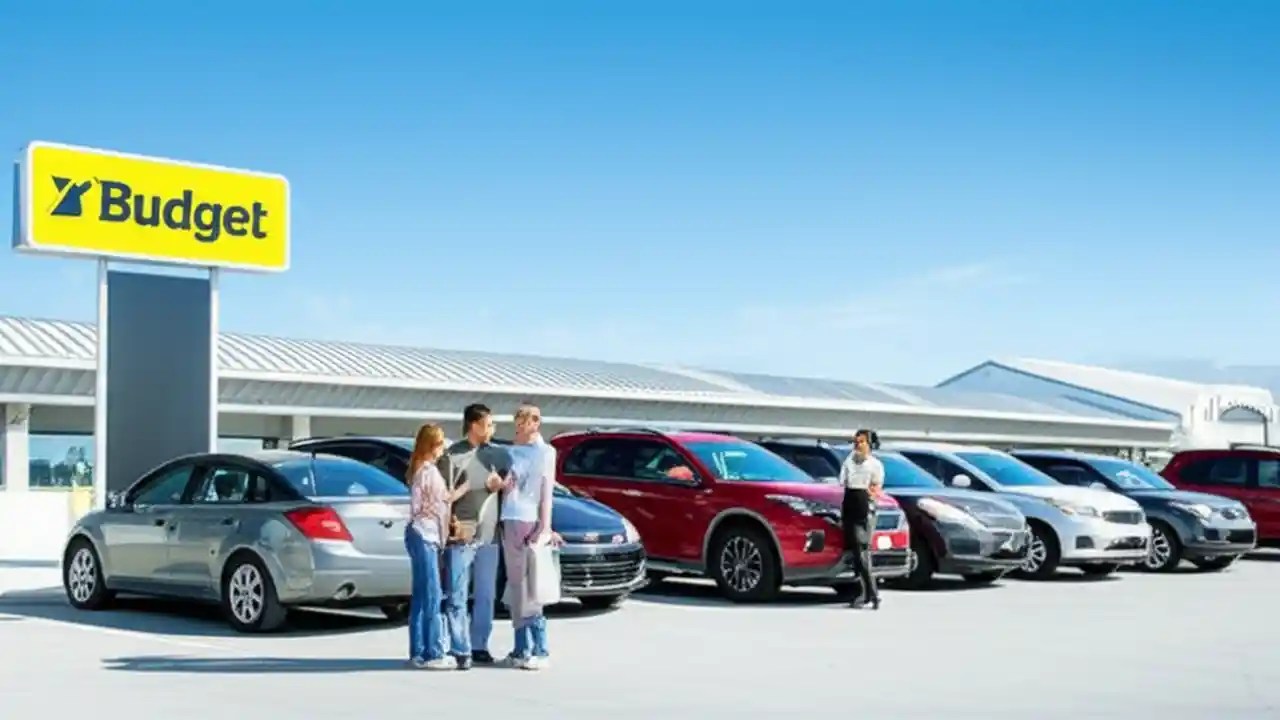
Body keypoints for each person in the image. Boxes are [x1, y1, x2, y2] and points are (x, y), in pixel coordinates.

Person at [437, 403, 512, 669]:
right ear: (474, 425)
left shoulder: (500, 456)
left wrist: (502, 486)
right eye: (488, 424)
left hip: (490, 536)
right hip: (461, 534)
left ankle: (480, 645)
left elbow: (514, 487)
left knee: (486, 593)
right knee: (457, 594)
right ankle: (460, 648)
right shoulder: (452, 456)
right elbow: (443, 496)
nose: (492, 428)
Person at [499, 403, 561, 670]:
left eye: (525, 423)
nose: (520, 429)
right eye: (518, 424)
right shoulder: (512, 451)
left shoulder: (545, 452)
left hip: (528, 519)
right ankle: (520, 648)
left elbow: (547, 493)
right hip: (509, 517)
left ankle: (540, 648)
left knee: (531, 586)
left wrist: (544, 527)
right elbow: (507, 486)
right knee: (516, 587)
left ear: (536, 423)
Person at [404, 423, 455, 670]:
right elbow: (431, 504)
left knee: (421, 595)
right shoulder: (428, 471)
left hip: (419, 532)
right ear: (432, 445)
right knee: (432, 594)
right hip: (426, 533)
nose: (442, 448)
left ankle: (418, 650)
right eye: (440, 443)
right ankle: (433, 651)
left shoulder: (418, 469)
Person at [837, 428, 884, 609]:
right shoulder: (849, 461)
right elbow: (842, 481)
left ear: (869, 444)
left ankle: (872, 594)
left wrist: (869, 495)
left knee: (862, 549)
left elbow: (875, 488)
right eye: (855, 442)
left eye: (862, 442)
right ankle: (865, 593)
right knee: (856, 552)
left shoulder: (874, 465)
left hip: (864, 507)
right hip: (849, 503)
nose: (857, 445)